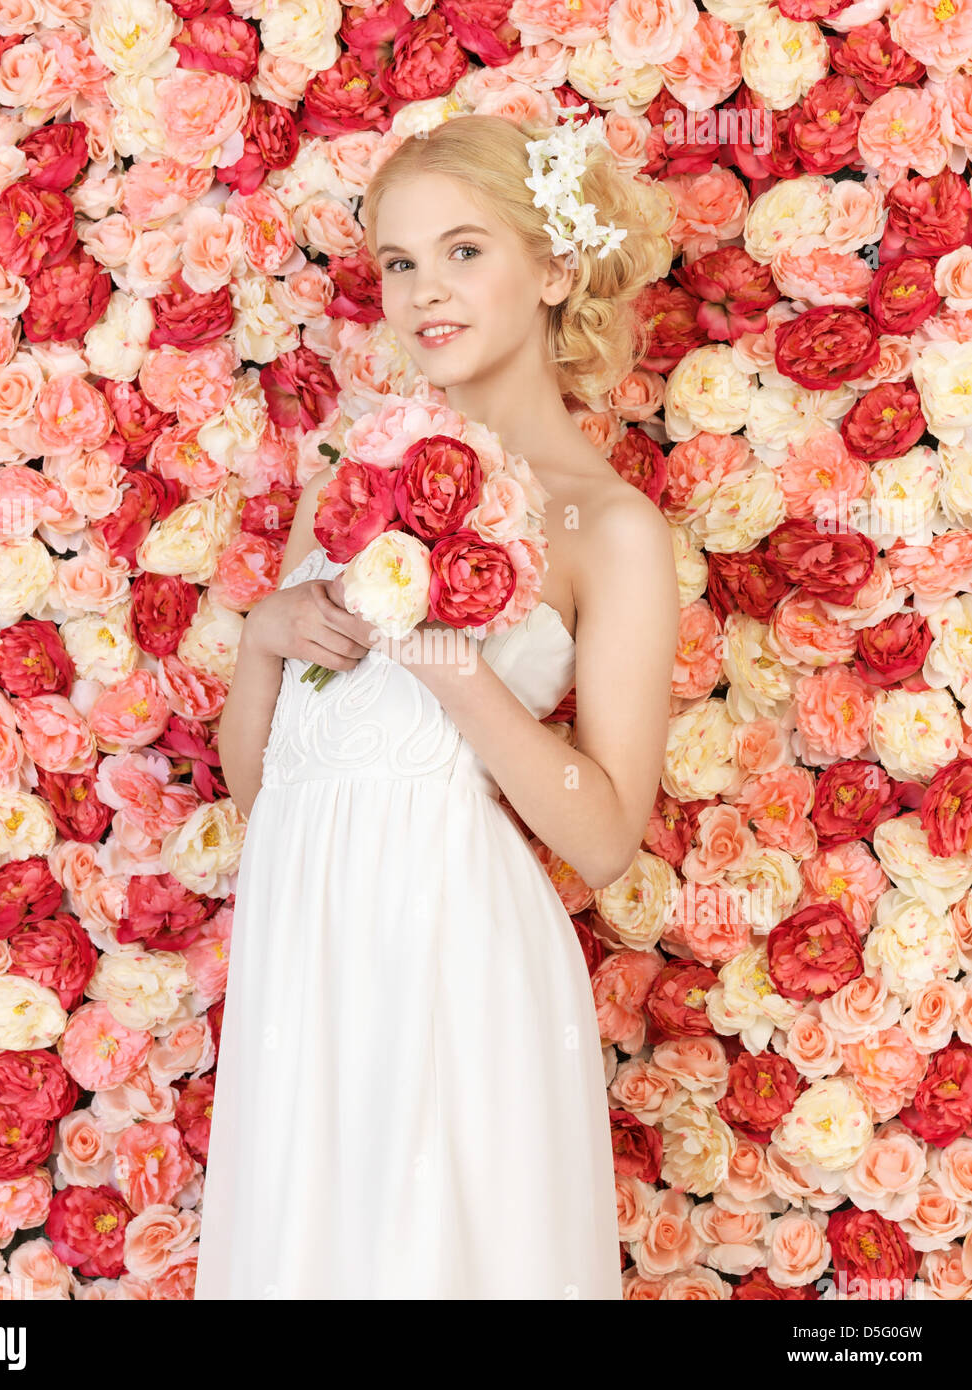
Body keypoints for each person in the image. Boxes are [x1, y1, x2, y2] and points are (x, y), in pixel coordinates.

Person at [194, 109, 680, 1300]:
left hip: (451, 954)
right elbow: (269, 788)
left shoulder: (606, 527)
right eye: (400, 263)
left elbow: (606, 834)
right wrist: (261, 642)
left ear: (554, 268)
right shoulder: (347, 493)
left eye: (463, 252)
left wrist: (451, 660)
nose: (424, 292)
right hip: (301, 952)